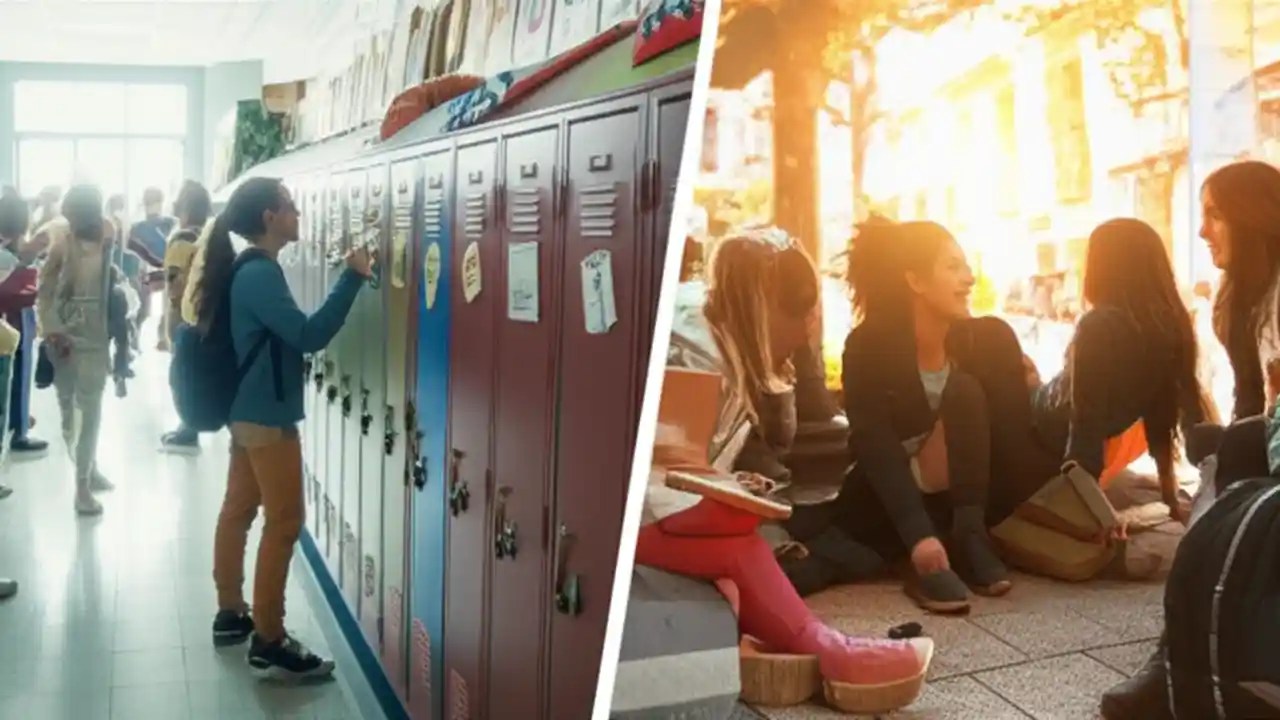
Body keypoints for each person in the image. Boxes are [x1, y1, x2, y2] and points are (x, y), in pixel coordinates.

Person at [824, 218, 1205, 613]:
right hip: (905, 494)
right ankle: (940, 544)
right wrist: (918, 534)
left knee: (973, 387)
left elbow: (1028, 436)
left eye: (965, 266)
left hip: (985, 485)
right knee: (840, 555)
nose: (969, 278)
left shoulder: (984, 339)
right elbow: (875, 446)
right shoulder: (868, 348)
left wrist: (1086, 510)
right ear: (915, 280)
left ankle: (971, 534)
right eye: (953, 266)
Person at [637, 230, 933, 711]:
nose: (803, 334)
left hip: (638, 518)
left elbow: (680, 468)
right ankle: (833, 653)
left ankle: (817, 645)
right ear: (763, 308)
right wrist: (730, 503)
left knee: (744, 541)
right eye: (798, 315)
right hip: (622, 529)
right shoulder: (694, 358)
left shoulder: (714, 340)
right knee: (738, 543)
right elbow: (655, 488)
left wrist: (730, 489)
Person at [1101, 160, 1280, 719]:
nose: (1202, 231)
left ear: (1254, 220)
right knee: (1221, 451)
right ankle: (1178, 653)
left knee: (1230, 456)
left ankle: (1179, 656)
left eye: (1215, 215)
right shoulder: (1238, 303)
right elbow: (1253, 405)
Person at [204, 177, 371, 680]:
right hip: (265, 417)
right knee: (284, 522)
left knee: (238, 509)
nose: (299, 215)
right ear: (270, 217)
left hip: (246, 411)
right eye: (292, 208)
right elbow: (308, 334)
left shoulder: (252, 267)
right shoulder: (258, 274)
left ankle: (232, 612)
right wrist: (352, 276)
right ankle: (270, 638)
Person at [35, 185, 123, 515]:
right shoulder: (62, 244)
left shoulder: (108, 237)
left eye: (75, 215)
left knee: (91, 413)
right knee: (69, 417)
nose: (70, 221)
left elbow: (113, 284)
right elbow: (44, 292)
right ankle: (86, 467)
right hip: (65, 342)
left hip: (96, 341)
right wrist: (53, 331)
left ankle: (83, 485)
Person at [159, 181, 211, 454]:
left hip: (184, 316)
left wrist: (168, 319)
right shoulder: (208, 235)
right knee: (194, 373)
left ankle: (187, 428)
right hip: (204, 314)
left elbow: (176, 281)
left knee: (181, 374)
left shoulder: (182, 238)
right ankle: (189, 425)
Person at [0, 188, 48, 457]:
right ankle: (17, 429)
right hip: (13, 318)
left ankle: (17, 420)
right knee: (18, 371)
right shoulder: (11, 252)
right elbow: (22, 288)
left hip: (13, 318)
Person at [127, 187, 175, 350]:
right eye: (152, 203)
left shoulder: (169, 223)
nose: (155, 207)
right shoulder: (138, 228)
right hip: (147, 271)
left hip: (167, 270)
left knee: (168, 304)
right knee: (144, 309)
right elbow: (133, 250)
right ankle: (134, 337)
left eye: (157, 203)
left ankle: (163, 336)